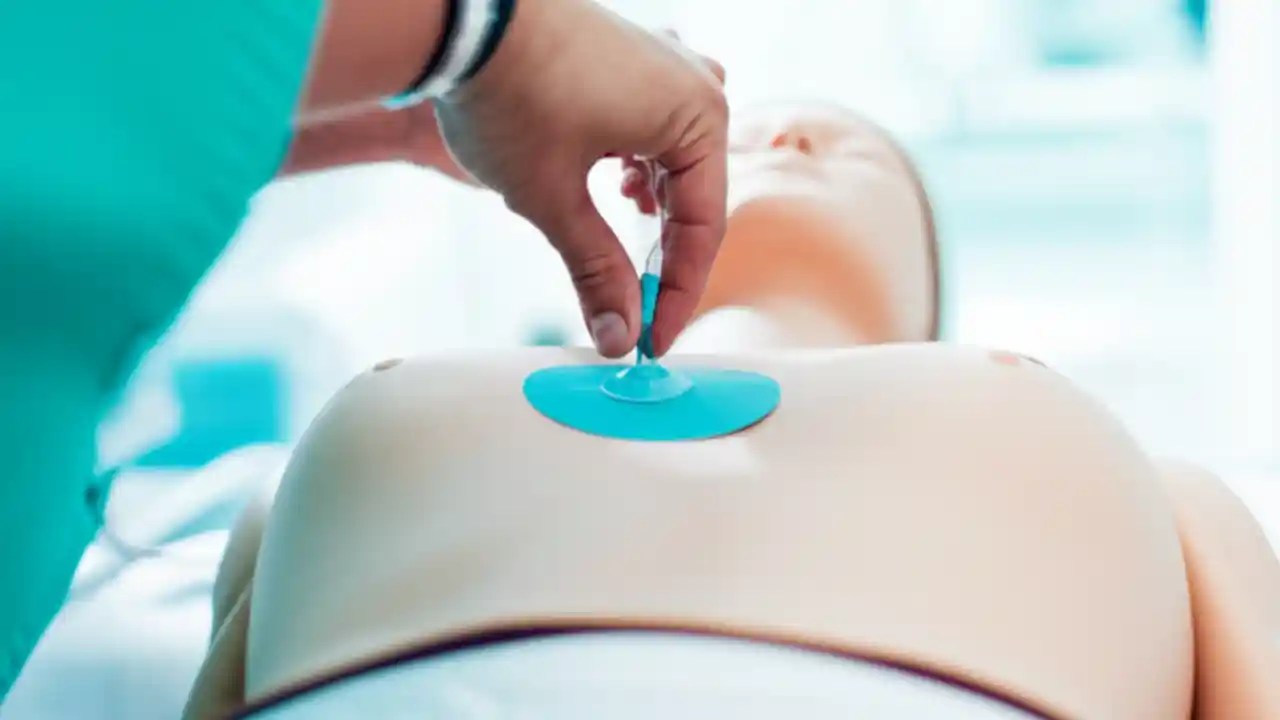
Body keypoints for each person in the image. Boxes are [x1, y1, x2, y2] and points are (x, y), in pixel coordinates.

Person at [183, 101, 1280, 719]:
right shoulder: (387, 416)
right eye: (748, 129)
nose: (783, 139)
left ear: (931, 310)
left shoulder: (1102, 463)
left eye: (851, 150)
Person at [0, 0, 732, 697]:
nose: (788, 142)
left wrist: (431, 78)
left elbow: (53, 111)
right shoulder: (348, 465)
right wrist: (487, 38)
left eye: (846, 142)